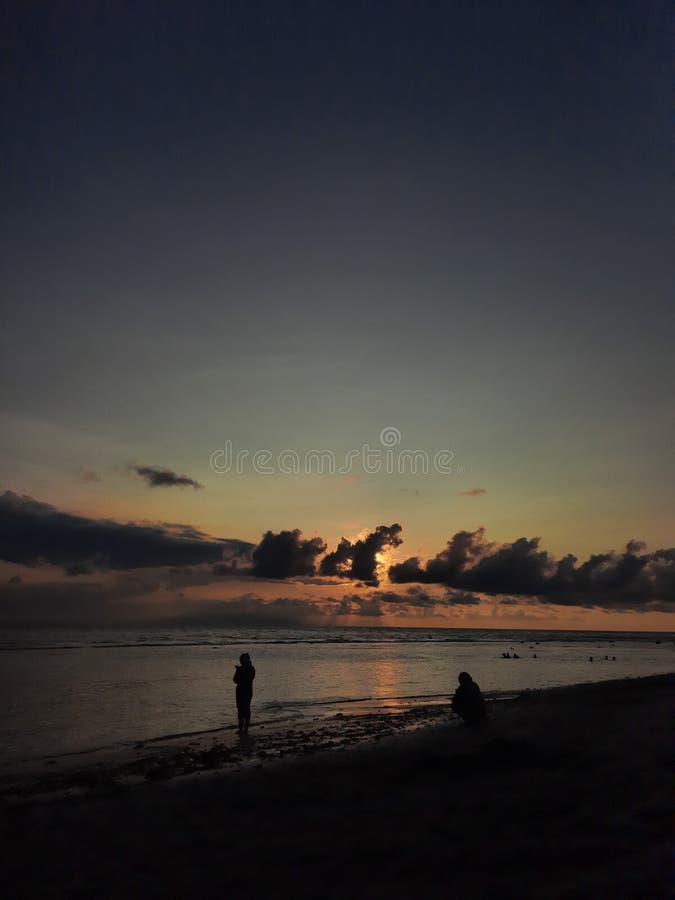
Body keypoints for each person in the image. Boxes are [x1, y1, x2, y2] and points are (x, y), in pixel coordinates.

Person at [233, 652, 256, 733]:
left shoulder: (251, 669)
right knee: (240, 709)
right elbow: (235, 680)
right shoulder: (242, 668)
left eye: (242, 660)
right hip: (240, 691)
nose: (241, 661)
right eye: (241, 660)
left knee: (246, 709)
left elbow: (249, 679)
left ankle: (245, 728)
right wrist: (238, 671)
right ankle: (241, 727)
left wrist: (240, 671)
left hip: (247, 691)